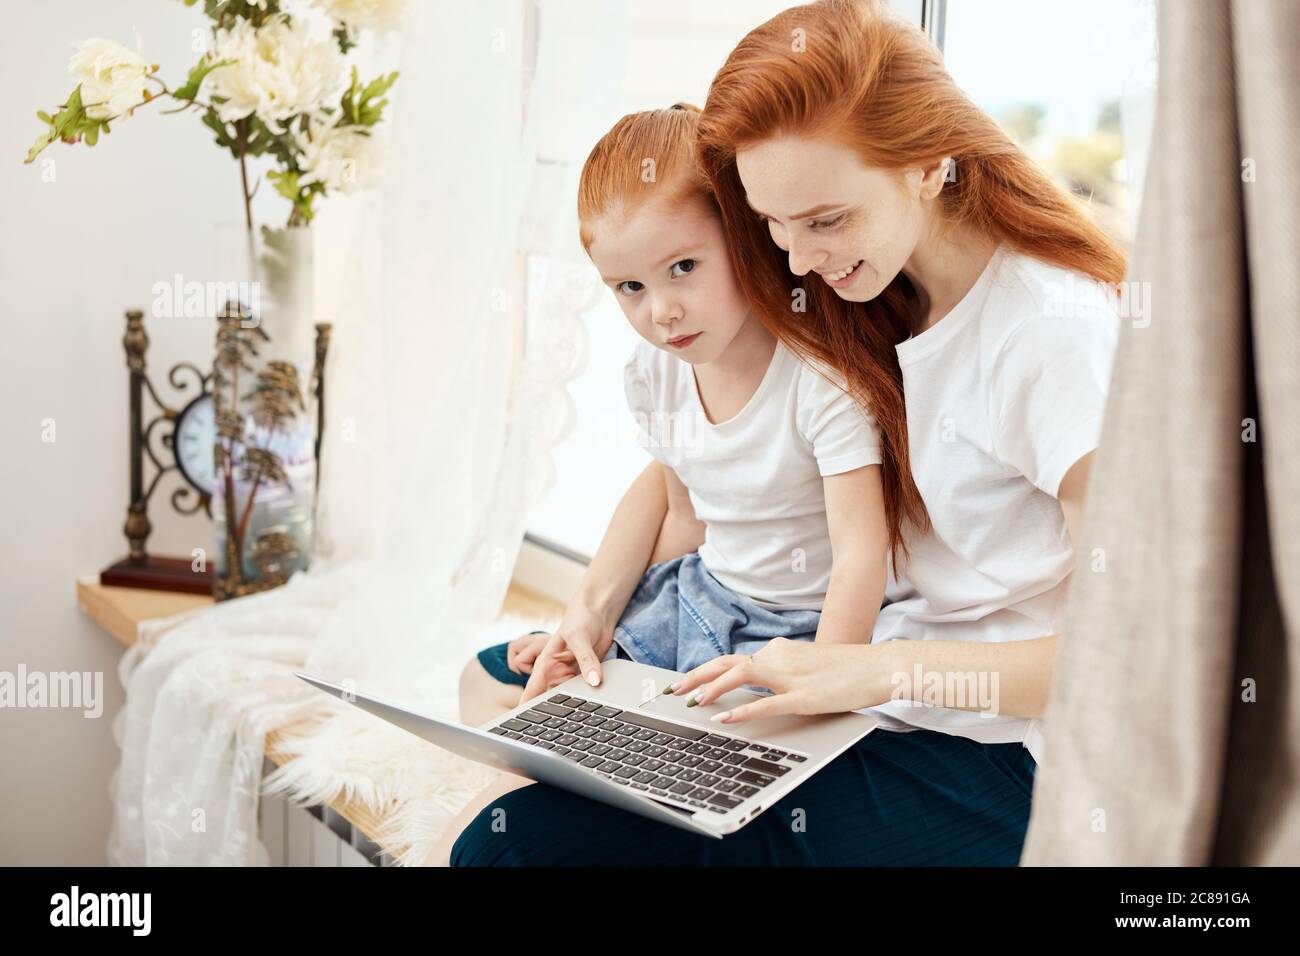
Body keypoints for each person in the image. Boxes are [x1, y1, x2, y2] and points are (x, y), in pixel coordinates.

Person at [435, 0, 1123, 866]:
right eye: (770, 224)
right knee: (520, 706)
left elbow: (1132, 658)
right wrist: (596, 606)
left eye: (824, 220)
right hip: (866, 684)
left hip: (1000, 751)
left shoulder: (1051, 336)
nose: (796, 262)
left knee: (513, 851)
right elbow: (691, 463)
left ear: (927, 162)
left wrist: (864, 672)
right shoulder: (875, 284)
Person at [459, 102, 890, 734]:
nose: (661, 311)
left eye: (683, 268)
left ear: (743, 238)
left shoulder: (819, 381)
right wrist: (592, 619)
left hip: (799, 627)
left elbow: (861, 557)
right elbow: (682, 516)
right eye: (629, 288)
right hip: (700, 596)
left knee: (706, 745)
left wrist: (818, 683)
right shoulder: (653, 373)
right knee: (487, 682)